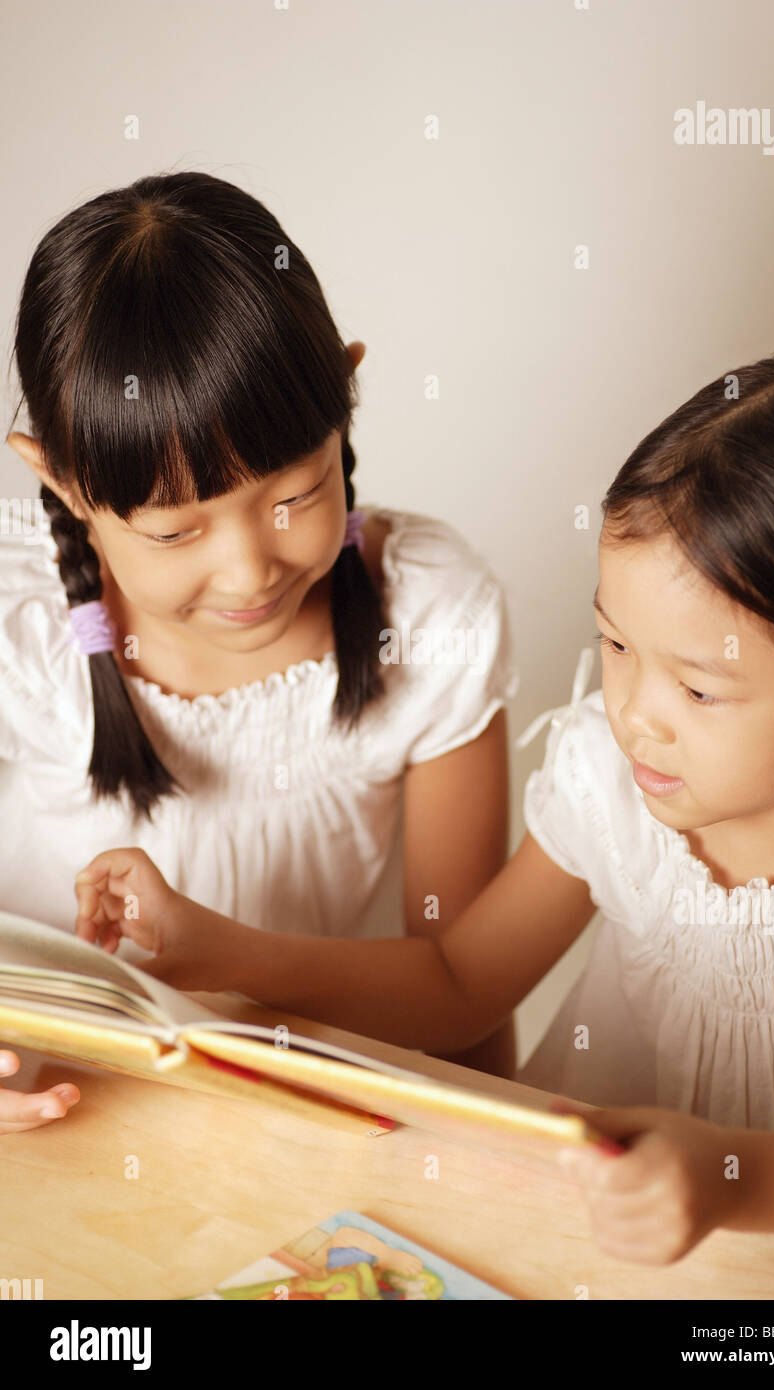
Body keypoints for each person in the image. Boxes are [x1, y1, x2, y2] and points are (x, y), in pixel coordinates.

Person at [73, 348, 774, 1262]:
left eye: (699, 691)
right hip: (585, 1256)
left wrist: (737, 1178)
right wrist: (219, 947)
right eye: (614, 643)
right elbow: (459, 986)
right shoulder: (607, 788)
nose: (634, 715)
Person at [0, 171, 519, 1134]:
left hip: (302, 1132)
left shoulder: (433, 611)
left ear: (346, 402)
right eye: (174, 534)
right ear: (62, 483)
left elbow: (468, 990)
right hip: (55, 1117)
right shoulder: (18, 616)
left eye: (295, 493)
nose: (249, 574)